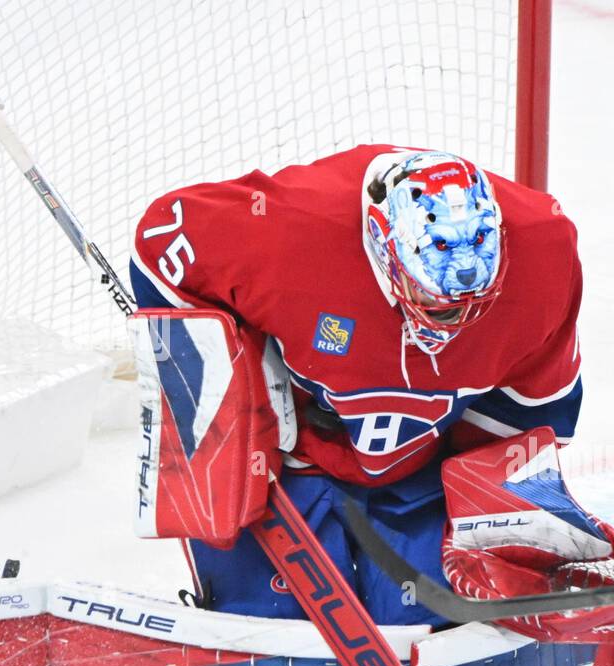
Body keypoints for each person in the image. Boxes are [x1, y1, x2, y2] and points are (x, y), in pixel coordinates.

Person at [130, 145, 583, 625]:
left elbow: (530, 412)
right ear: (385, 250)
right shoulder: (287, 231)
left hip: (421, 465)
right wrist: (240, 394)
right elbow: (158, 242)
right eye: (437, 303)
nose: (456, 323)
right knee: (270, 625)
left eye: (474, 302)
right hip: (292, 459)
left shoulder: (543, 253)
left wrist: (489, 516)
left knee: (428, 618)